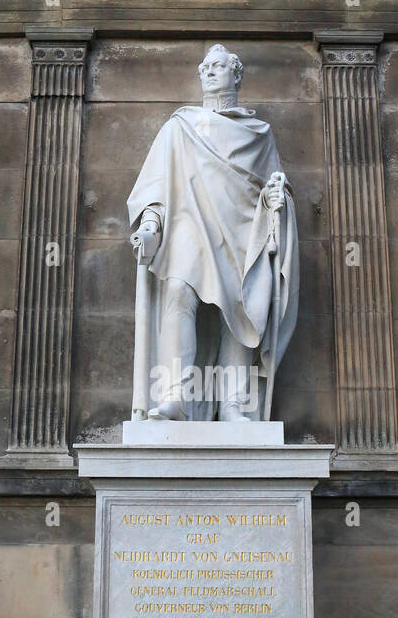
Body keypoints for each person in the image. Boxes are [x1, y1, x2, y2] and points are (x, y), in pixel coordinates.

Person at [128, 44, 299, 421]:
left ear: (235, 74)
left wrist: (276, 198)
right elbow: (157, 184)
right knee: (177, 290)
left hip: (241, 227)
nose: (208, 71)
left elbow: (273, 186)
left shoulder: (259, 133)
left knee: (241, 307)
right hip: (188, 222)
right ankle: (175, 396)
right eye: (204, 66)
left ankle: (234, 405)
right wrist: (152, 223)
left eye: (217, 66)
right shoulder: (179, 127)